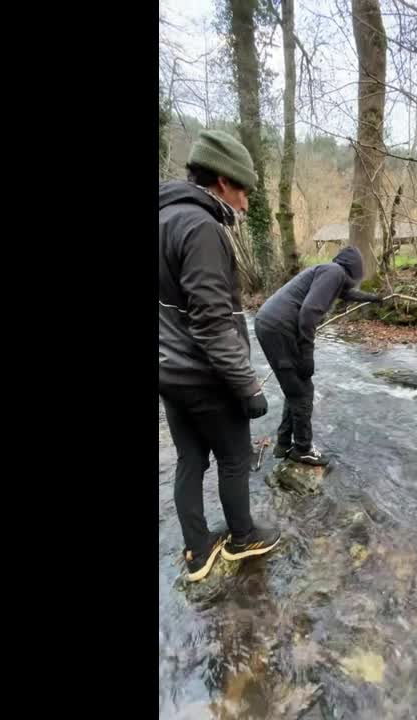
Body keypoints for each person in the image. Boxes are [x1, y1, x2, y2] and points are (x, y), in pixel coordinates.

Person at [159, 129, 282, 582]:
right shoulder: (202, 228)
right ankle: (241, 538)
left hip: (167, 373)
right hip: (205, 378)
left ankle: (197, 552)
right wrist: (248, 387)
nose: (246, 202)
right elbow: (212, 323)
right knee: (234, 457)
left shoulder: (163, 219)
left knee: (191, 460)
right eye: (244, 190)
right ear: (223, 182)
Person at [254, 245, 388, 466]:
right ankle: (303, 449)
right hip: (279, 329)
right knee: (303, 391)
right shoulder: (333, 272)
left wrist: (373, 298)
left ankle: (283, 444)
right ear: (353, 271)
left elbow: (346, 294)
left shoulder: (331, 274)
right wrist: (307, 355)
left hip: (270, 324)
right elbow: (307, 315)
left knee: (294, 387)